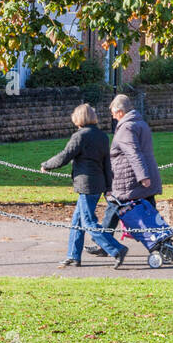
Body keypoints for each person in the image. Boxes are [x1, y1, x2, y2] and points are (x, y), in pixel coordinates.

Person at [41, 103, 128, 269]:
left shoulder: (80, 136)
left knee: (88, 222)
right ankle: (73, 256)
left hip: (86, 185)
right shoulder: (102, 136)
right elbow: (106, 163)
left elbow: (65, 156)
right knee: (77, 221)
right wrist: (109, 186)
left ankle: (117, 249)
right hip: (98, 184)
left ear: (79, 118)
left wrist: (46, 165)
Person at [97, 94, 163, 242]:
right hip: (142, 173)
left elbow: (133, 153)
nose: (113, 117)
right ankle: (162, 238)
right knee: (149, 208)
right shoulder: (141, 123)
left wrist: (142, 176)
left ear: (120, 112)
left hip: (129, 178)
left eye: (113, 114)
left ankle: (104, 243)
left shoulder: (126, 127)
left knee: (114, 204)